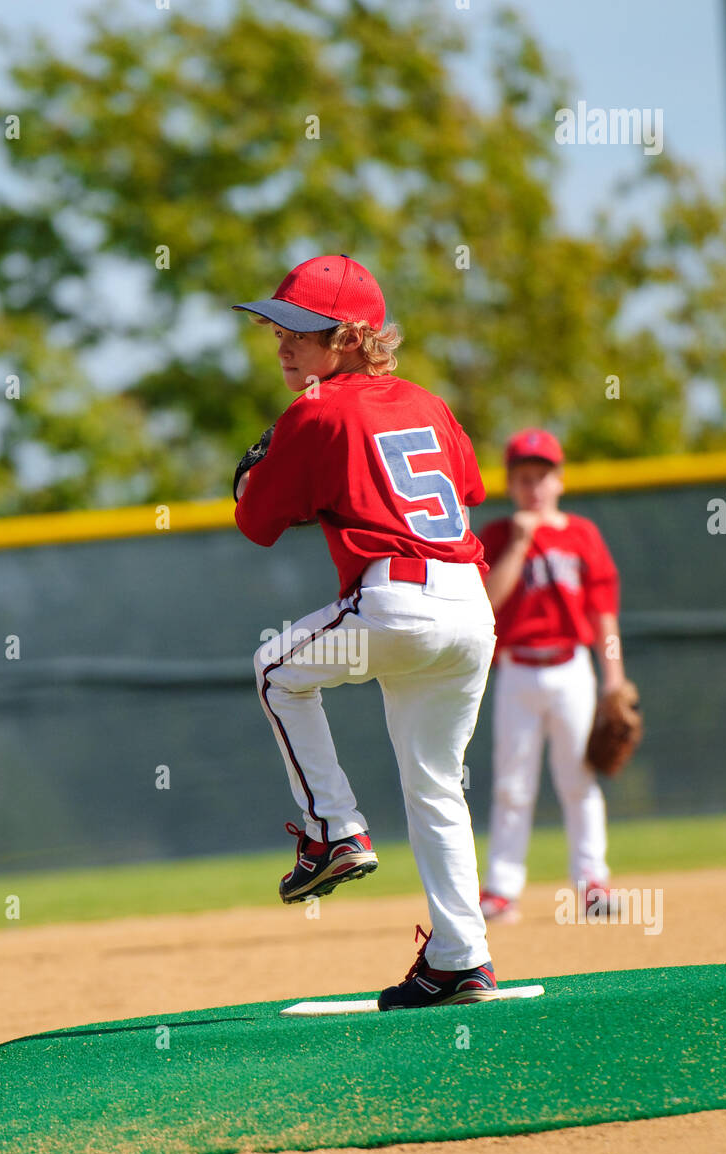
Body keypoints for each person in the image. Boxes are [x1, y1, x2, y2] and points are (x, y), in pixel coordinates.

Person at [231, 253, 497, 1009]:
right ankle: (460, 958)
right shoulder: (430, 403)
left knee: (276, 670)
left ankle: (332, 833)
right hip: (469, 614)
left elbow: (257, 525)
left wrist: (256, 477)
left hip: (398, 603)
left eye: (300, 330)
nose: (281, 341)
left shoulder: (313, 410)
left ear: (349, 337)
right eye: (274, 326)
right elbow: (466, 490)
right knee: (436, 786)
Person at [478, 429, 626, 923]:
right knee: (511, 785)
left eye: (542, 476)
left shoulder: (582, 534)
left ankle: (592, 885)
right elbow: (487, 603)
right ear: (510, 484)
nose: (533, 487)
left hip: (572, 668)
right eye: (523, 478)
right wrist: (520, 543)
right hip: (518, 669)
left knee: (578, 778)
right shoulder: (498, 536)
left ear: (559, 480)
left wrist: (614, 678)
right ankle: (501, 890)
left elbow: (604, 613)